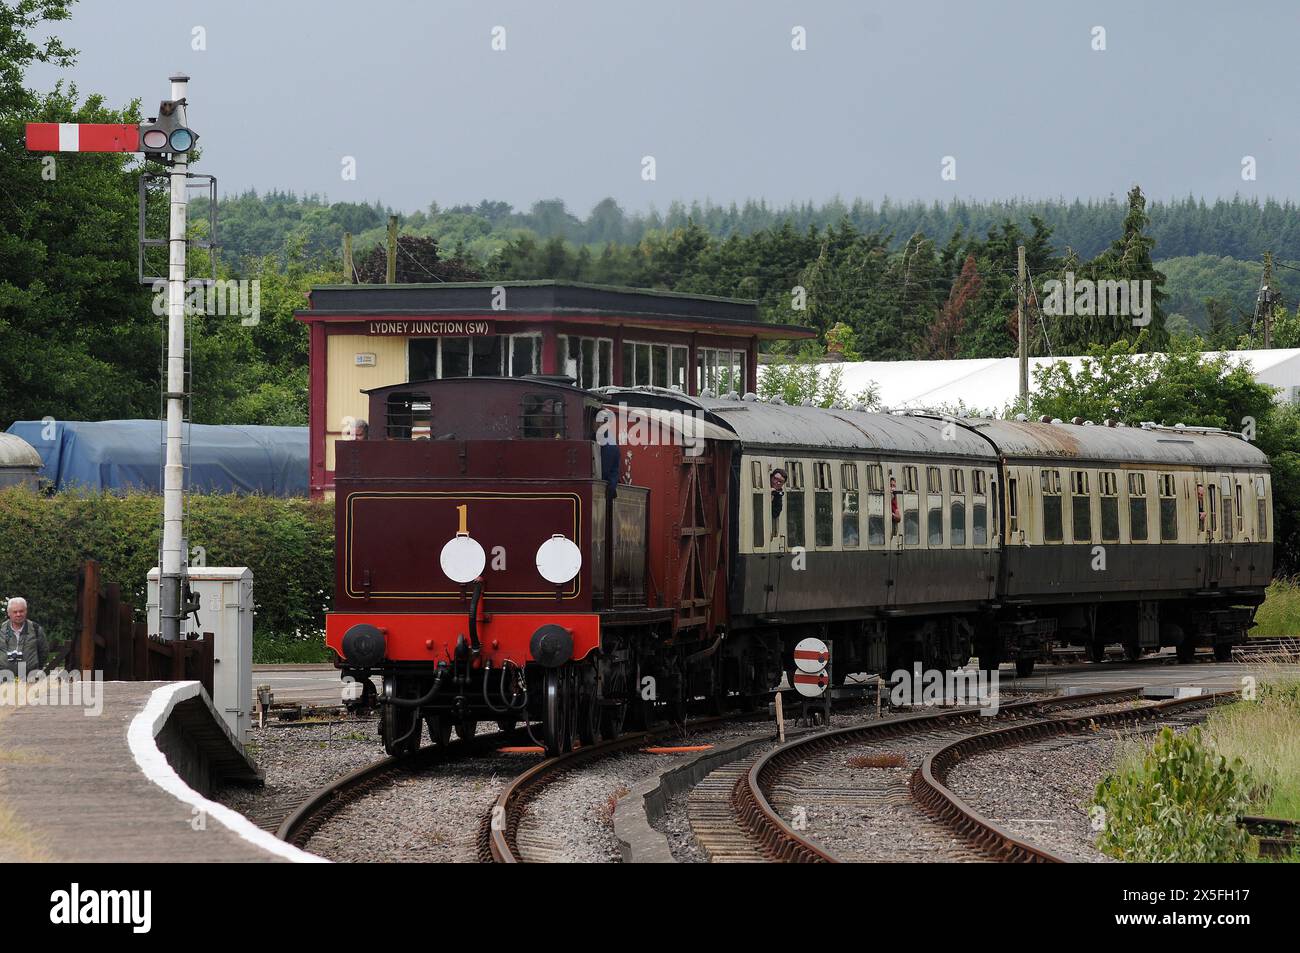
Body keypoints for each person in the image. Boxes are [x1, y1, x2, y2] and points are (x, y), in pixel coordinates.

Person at [1, 597, 48, 676]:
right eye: (15, 612)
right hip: (3, 679)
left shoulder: (36, 629)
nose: (18, 614)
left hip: (30, 678)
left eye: (21, 611)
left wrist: (36, 667)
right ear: (8, 613)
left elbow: (43, 652)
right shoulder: (1, 630)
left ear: (26, 611)